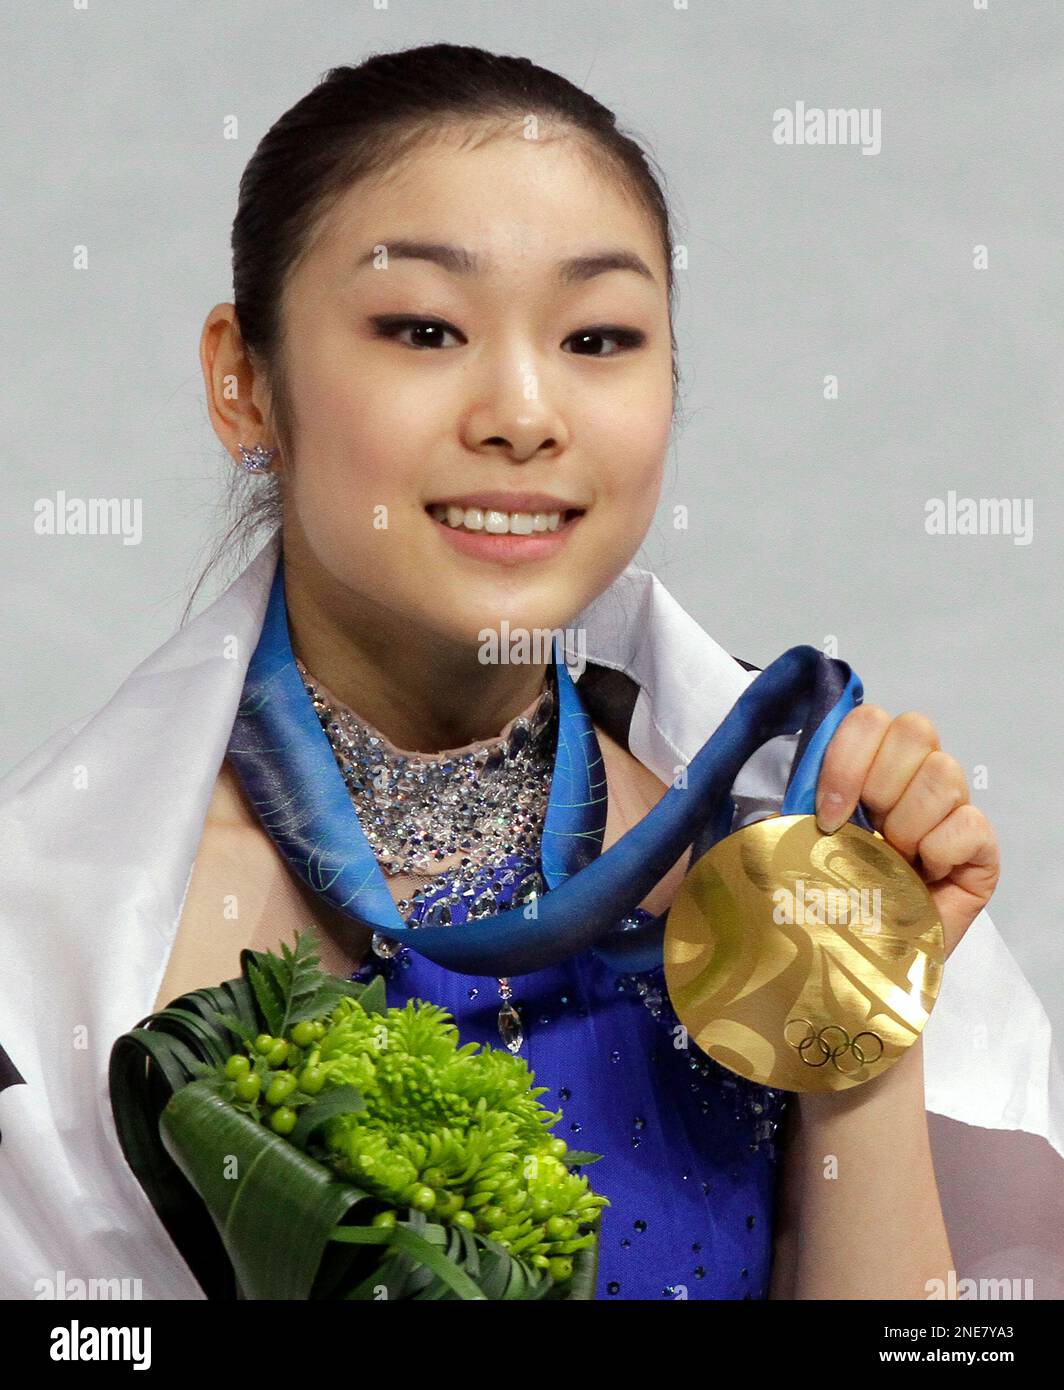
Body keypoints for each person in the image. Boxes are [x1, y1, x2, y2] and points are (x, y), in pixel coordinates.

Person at [1, 43, 1062, 1302]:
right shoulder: (71, 939)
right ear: (244, 382)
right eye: (423, 329)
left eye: (598, 336)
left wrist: (857, 1005)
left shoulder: (762, 840)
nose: (523, 410)